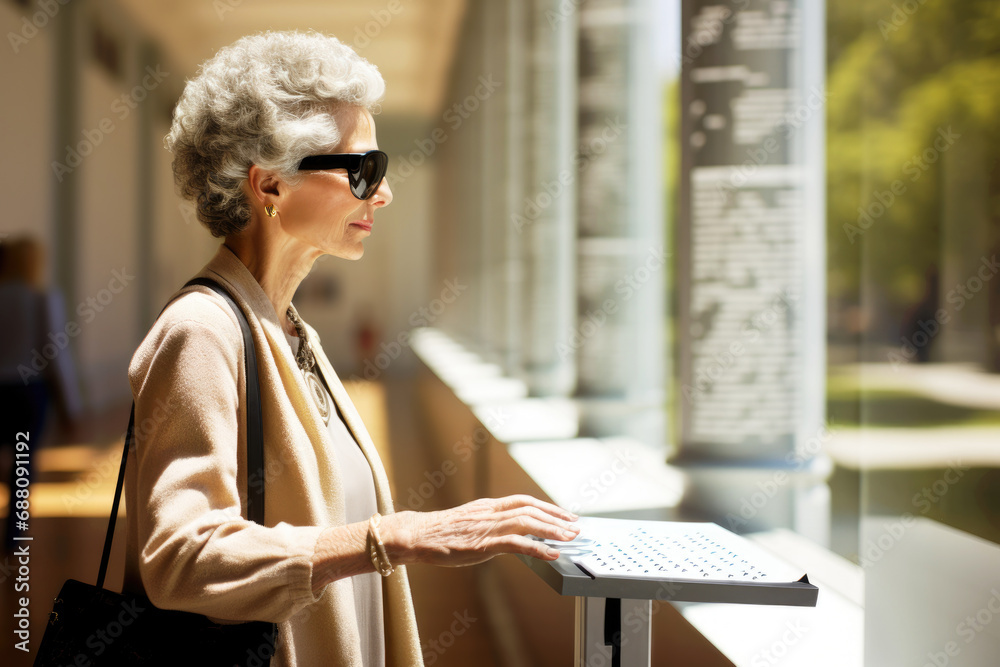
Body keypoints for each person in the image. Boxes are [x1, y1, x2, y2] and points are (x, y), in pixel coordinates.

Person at [125, 31, 579, 667]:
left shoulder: (291, 332)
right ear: (269, 185)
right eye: (362, 170)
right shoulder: (201, 332)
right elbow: (180, 559)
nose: (382, 193)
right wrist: (392, 537)